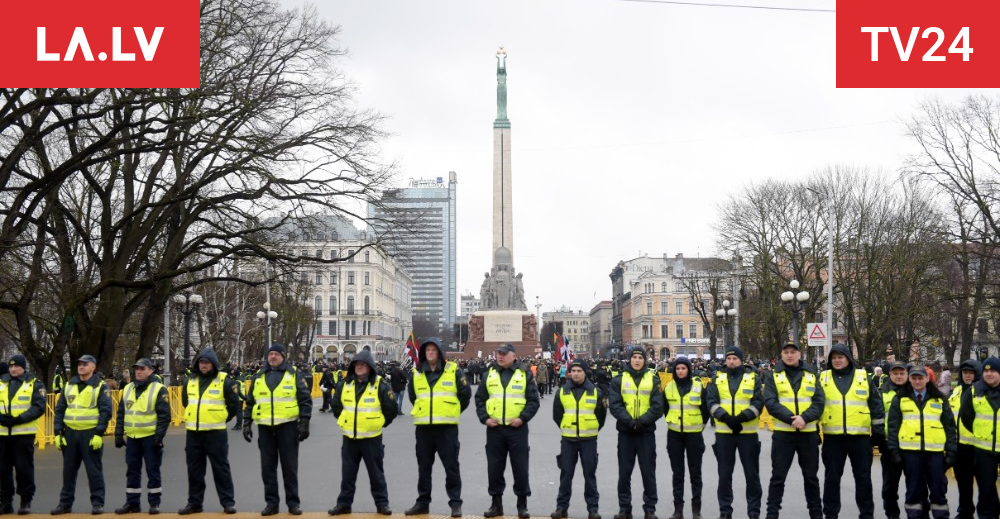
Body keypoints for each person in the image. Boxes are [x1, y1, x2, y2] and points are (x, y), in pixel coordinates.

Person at [404, 337, 471, 518]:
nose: (431, 353)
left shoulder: (453, 370)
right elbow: (413, 397)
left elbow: (465, 395)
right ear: (424, 354)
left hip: (446, 428)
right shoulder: (417, 373)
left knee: (451, 467)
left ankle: (455, 503)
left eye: (434, 350)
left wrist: (452, 410)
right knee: (424, 468)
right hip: (424, 428)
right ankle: (422, 502)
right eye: (428, 350)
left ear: (440, 353)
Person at [243, 343, 312, 516]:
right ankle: (271, 504)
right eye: (270, 354)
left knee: (289, 468)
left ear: (283, 357)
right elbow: (250, 402)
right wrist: (246, 423)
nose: (273, 357)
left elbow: (305, 399)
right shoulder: (259, 376)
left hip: (288, 429)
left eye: (276, 354)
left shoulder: (293, 374)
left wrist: (304, 422)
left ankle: (293, 503)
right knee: (268, 469)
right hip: (265, 429)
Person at [818, 344, 884, 519]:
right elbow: (815, 406)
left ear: (848, 358)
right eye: (834, 357)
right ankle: (830, 514)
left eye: (841, 356)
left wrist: (878, 431)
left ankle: (866, 514)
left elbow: (876, 405)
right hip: (833, 439)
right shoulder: (823, 378)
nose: (837, 360)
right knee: (832, 480)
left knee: (863, 479)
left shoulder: (863, 377)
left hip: (860, 440)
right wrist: (814, 432)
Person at [328, 350, 398, 515]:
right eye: (356, 364)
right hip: (350, 438)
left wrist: (379, 423)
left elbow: (391, 409)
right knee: (347, 475)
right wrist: (344, 421)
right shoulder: (345, 384)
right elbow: (336, 405)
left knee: (376, 474)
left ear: (369, 367)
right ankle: (344, 504)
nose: (359, 367)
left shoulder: (380, 385)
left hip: (371, 438)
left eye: (363, 364)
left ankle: (382, 504)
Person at [475, 344, 541, 518]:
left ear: (513, 356)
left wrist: (523, 418)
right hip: (495, 429)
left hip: (517, 429)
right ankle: (496, 505)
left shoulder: (524, 374)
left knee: (520, 468)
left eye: (504, 354)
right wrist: (485, 419)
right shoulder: (489, 374)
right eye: (498, 353)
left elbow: (533, 400)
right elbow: (480, 399)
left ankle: (522, 505)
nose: (500, 356)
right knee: (494, 468)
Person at [761, 343, 824, 519]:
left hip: (808, 434)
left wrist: (804, 418)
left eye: (793, 352)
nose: (789, 355)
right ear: (781, 354)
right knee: (778, 477)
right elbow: (771, 402)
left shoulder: (811, 374)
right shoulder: (774, 375)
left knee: (811, 478)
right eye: (786, 352)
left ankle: (816, 514)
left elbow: (819, 402)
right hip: (784, 434)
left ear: (799, 354)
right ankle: (771, 514)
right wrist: (792, 419)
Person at [886, 366, 956, 519]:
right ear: (909, 379)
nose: (917, 381)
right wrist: (893, 451)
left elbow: (950, 426)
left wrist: (951, 451)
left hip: (935, 454)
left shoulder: (939, 398)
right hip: (910, 454)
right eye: (914, 378)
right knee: (914, 492)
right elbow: (893, 426)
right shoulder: (900, 398)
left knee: (938, 491)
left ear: (927, 379)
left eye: (920, 378)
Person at [180, 347, 240, 515]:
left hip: (215, 433)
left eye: (206, 362)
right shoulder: (189, 381)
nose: (203, 365)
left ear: (213, 364)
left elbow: (234, 405)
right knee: (194, 470)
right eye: (201, 362)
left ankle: (228, 502)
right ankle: (194, 503)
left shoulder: (224, 381)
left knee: (221, 469)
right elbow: (186, 402)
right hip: (194, 433)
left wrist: (221, 418)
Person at [704, 346, 763, 519]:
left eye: (735, 358)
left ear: (741, 360)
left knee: (752, 476)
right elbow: (711, 402)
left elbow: (758, 402)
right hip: (724, 434)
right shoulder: (717, 378)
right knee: (724, 476)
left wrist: (741, 418)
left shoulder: (752, 378)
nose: (731, 361)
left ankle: (753, 512)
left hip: (748, 434)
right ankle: (725, 511)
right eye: (728, 358)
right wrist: (727, 418)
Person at [51, 355, 113, 515]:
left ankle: (97, 503)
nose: (81, 366)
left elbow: (106, 411)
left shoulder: (100, 386)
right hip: (70, 434)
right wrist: (57, 432)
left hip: (90, 434)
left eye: (85, 364)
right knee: (68, 472)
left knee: (94, 472)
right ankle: (65, 504)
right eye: (79, 364)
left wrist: (99, 433)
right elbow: (60, 410)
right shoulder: (69, 385)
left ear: (93, 367)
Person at [609, 346, 664, 519]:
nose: (637, 360)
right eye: (634, 358)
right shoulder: (619, 380)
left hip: (646, 433)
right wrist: (630, 422)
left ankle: (650, 509)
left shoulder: (653, 379)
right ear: (630, 360)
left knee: (648, 472)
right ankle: (625, 509)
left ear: (645, 360)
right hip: (626, 433)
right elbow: (615, 405)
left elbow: (658, 406)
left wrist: (642, 422)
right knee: (624, 473)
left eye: (640, 358)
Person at [113, 358, 170, 515]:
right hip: (132, 438)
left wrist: (159, 437)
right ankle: (132, 503)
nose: (138, 371)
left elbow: (164, 416)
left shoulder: (159, 389)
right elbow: (121, 413)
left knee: (153, 470)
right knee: (132, 471)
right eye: (137, 368)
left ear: (151, 370)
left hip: (151, 438)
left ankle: (154, 503)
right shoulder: (128, 388)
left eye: (142, 368)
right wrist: (118, 434)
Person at [551, 359, 604, 519]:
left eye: (579, 371)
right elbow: (557, 415)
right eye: (573, 371)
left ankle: (593, 509)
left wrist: (590, 428)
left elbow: (601, 416)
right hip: (568, 439)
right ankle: (561, 508)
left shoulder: (595, 391)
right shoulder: (562, 391)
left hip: (589, 440)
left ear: (585, 372)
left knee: (590, 474)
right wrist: (568, 427)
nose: (575, 373)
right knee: (566, 475)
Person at [662, 356, 708, 519]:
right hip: (674, 435)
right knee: (678, 474)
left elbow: (705, 409)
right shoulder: (669, 387)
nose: (680, 371)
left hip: (694, 436)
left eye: (683, 368)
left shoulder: (698, 386)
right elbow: (666, 409)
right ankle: (678, 510)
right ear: (674, 371)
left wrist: (699, 426)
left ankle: (696, 511)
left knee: (696, 474)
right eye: (678, 369)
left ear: (689, 369)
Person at [0, 355, 45, 515]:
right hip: (3, 434)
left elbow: (39, 407)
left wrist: (19, 419)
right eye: (11, 366)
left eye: (16, 366)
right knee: (3, 470)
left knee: (23, 469)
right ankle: (5, 502)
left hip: (23, 434)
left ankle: (26, 501)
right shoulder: (1, 381)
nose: (13, 369)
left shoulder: (33, 383)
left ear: (23, 367)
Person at [960, 357, 1000, 519]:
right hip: (984, 451)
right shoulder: (974, 391)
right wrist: (981, 433)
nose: (989, 374)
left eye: (993, 370)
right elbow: (966, 417)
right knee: (986, 491)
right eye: (986, 370)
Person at [949, 359, 980, 519]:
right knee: (963, 482)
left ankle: (987, 513)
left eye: (971, 372)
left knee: (985, 485)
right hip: (959, 446)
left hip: (979, 446)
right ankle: (965, 511)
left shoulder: (983, 392)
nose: (968, 375)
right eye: (965, 372)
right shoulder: (956, 392)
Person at [879, 362, 910, 519]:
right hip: (889, 445)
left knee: (915, 486)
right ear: (890, 374)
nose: (898, 376)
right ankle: (892, 514)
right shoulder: (882, 393)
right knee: (890, 486)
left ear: (906, 374)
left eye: (901, 373)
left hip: (912, 446)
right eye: (895, 373)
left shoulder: (915, 392)